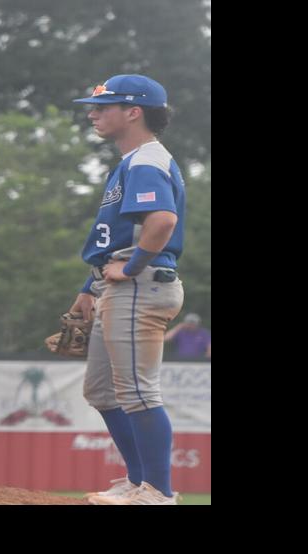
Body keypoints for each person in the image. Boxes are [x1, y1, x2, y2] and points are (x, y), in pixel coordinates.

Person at [69, 75, 188, 506]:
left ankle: (158, 492)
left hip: (142, 283)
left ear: (134, 112)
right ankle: (139, 482)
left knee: (137, 391)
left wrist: (134, 265)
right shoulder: (133, 160)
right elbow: (115, 236)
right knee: (102, 391)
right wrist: (91, 286)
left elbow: (162, 222)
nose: (93, 113)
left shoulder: (145, 161)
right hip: (120, 283)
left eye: (104, 106)